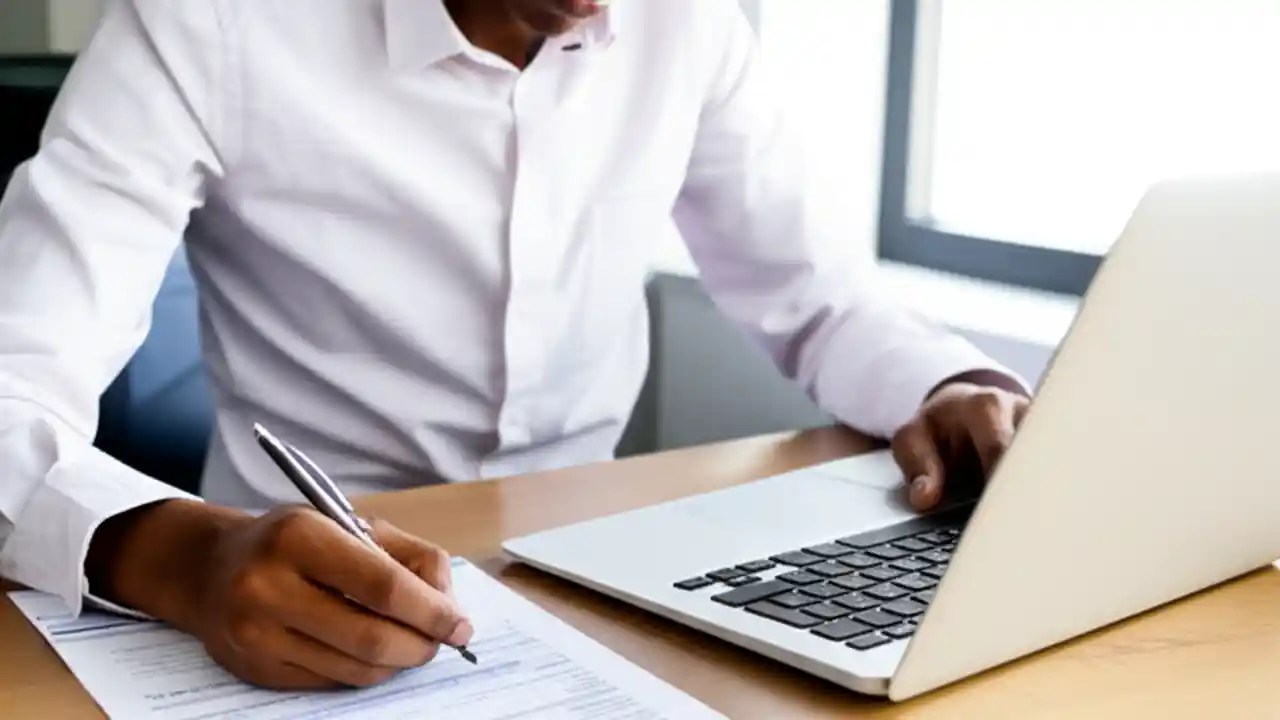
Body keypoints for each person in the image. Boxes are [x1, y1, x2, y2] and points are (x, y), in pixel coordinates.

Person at [0, 0, 1029, 692]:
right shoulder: (204, 25)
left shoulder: (688, 22)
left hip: (601, 579)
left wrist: (947, 384)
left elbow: (813, 294)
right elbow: (12, 388)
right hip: (302, 575)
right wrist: (181, 553)